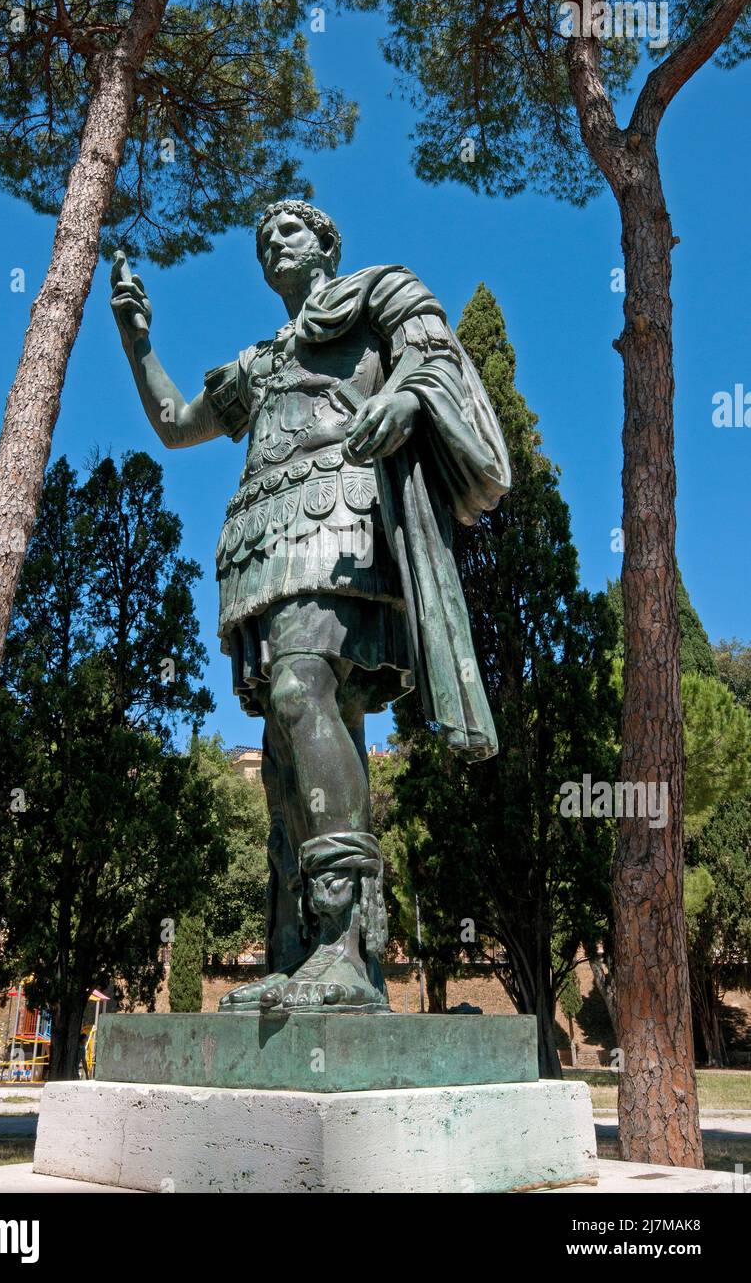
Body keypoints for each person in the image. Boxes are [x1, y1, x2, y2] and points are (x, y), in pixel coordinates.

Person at [110, 200, 510, 1012]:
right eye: (262, 239)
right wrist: (138, 340)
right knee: (284, 747)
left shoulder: (377, 294)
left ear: (328, 240)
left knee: (300, 689)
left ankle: (344, 940)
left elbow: (434, 363)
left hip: (344, 519)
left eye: (289, 230)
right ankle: (299, 952)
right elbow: (174, 424)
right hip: (264, 540)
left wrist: (405, 399)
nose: (273, 243)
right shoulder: (258, 361)